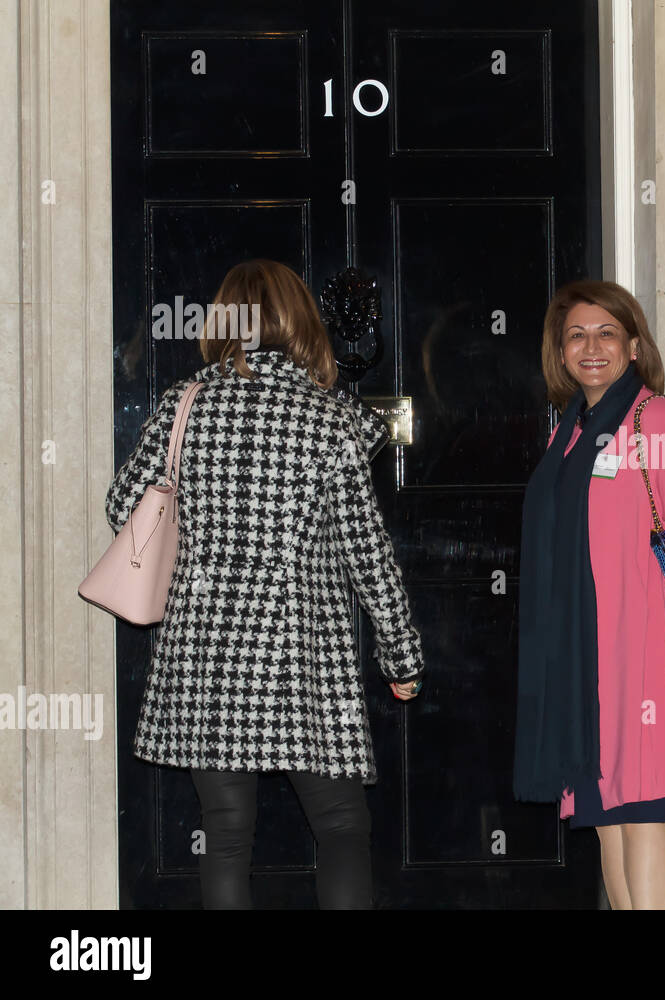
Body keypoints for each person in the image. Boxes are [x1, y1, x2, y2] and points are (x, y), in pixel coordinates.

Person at [105, 259, 424, 909]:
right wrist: (402, 655)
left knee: (225, 833)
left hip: (205, 651)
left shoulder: (185, 405)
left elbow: (122, 510)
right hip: (303, 650)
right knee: (340, 827)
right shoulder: (329, 419)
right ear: (302, 324)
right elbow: (367, 553)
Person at [513, 280, 665, 910]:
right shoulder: (572, 433)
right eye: (576, 334)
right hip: (588, 658)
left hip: (644, 649)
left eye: (607, 332)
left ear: (634, 346)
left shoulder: (658, 419)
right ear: (560, 351)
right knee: (606, 814)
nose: (591, 346)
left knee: (644, 809)